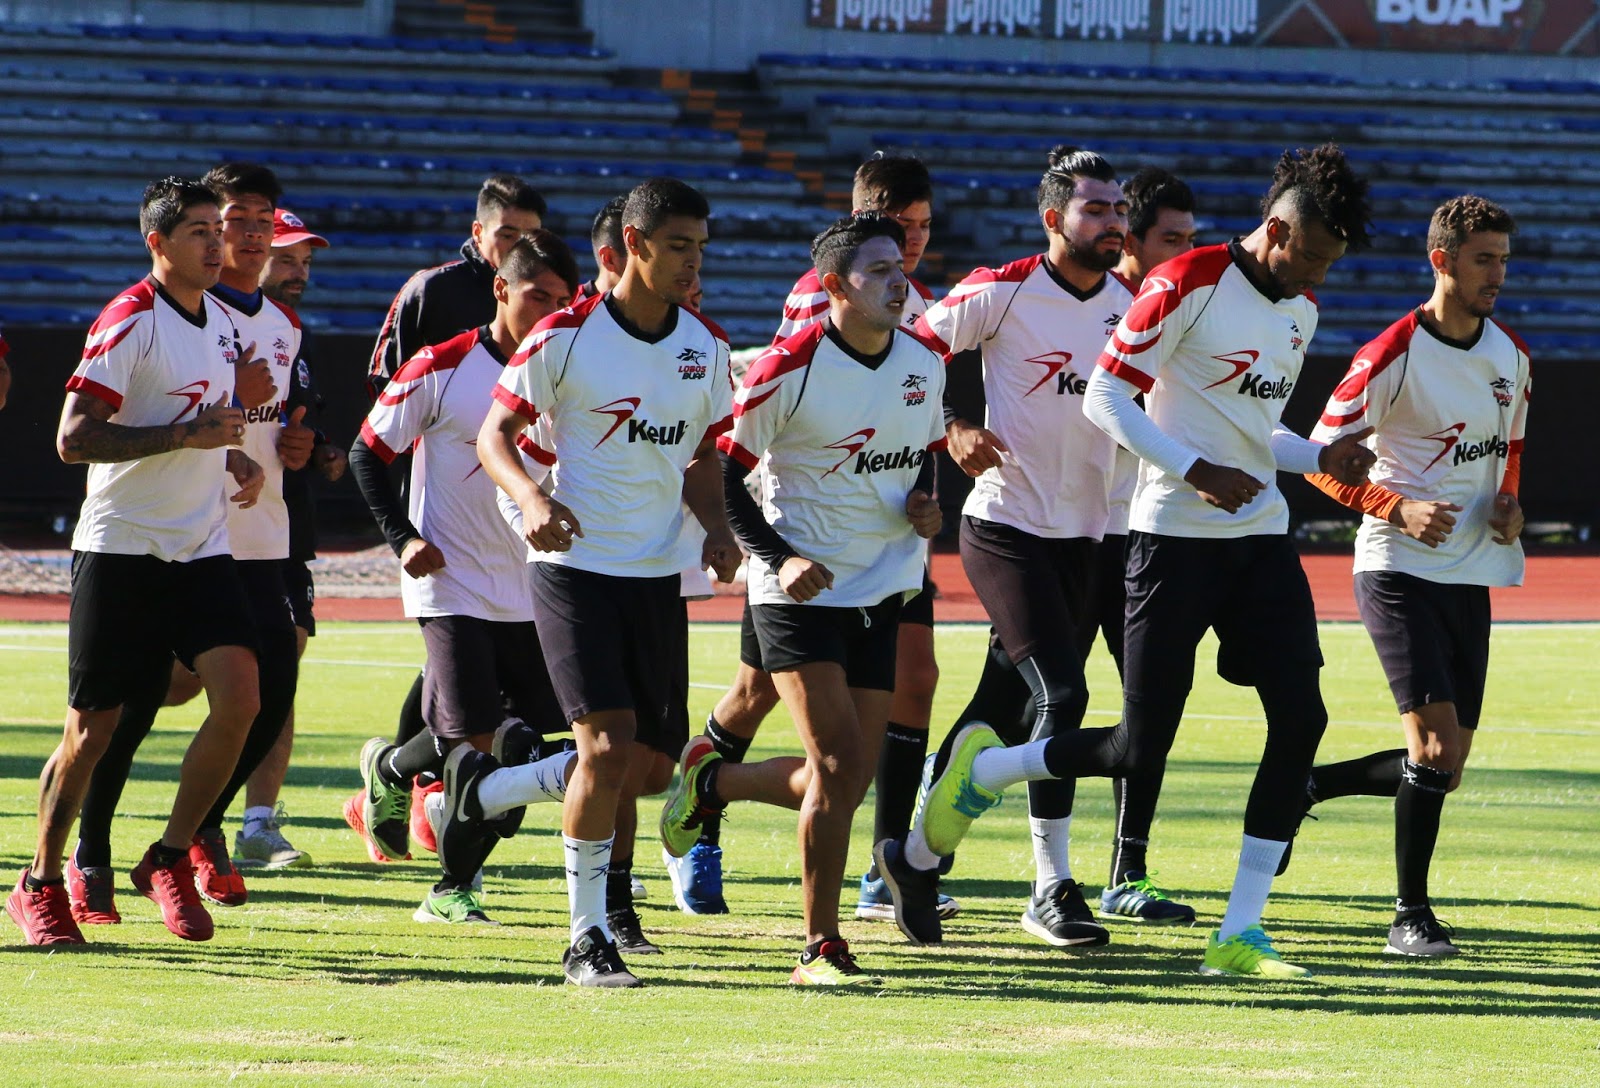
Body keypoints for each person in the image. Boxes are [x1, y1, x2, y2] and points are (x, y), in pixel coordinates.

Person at [883, 144, 1379, 979]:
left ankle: (1240, 931)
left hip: (1250, 534)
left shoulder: (1300, 313)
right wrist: (1189, 469)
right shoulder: (1183, 280)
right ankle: (991, 771)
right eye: (1314, 257)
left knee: (1303, 717)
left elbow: (1257, 433)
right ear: (1277, 228)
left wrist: (1324, 454)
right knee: (1132, 744)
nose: (1316, 278)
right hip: (1161, 537)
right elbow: (1110, 394)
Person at [898, 147, 1194, 950]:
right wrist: (952, 425)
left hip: (1094, 542)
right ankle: (1050, 888)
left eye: (1116, 211)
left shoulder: (1135, 303)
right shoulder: (1004, 288)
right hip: (1005, 527)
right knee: (1064, 698)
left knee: (1001, 707)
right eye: (1094, 209)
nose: (1111, 223)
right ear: (1052, 217)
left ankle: (913, 856)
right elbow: (905, 354)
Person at [657, 213, 945, 985]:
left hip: (883, 586)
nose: (898, 280)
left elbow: (922, 459)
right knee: (838, 760)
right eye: (878, 269)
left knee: (850, 778)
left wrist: (925, 502)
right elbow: (726, 476)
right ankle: (819, 946)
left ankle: (711, 780)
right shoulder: (789, 366)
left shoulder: (927, 360)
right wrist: (778, 561)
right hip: (799, 593)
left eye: (900, 267)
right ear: (833, 287)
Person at [475, 177, 740, 987]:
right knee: (606, 745)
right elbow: (495, 434)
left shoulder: (707, 348)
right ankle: (587, 937)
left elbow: (701, 455)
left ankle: (487, 790)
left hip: (657, 574)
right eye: (678, 246)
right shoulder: (564, 337)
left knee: (649, 769)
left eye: (700, 246)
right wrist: (530, 500)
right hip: (572, 569)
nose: (693, 264)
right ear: (633, 244)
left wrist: (721, 530)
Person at [6, 176, 266, 946]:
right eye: (198, 232)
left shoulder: (222, 322)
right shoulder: (129, 319)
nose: (216, 244)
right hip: (121, 547)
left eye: (217, 230)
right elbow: (73, 438)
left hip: (200, 546)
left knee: (243, 698)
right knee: (91, 732)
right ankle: (41, 880)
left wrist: (232, 459)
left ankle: (170, 853)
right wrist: (188, 438)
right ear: (156, 243)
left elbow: (205, 422)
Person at [1293, 195, 1529, 958]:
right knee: (1429, 753)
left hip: (1471, 573)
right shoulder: (1391, 353)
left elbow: (1509, 454)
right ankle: (1408, 917)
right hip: (1395, 570)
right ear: (1443, 261)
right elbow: (1321, 460)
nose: (1497, 273)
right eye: (1483, 258)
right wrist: (1394, 507)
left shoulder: (1514, 358)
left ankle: (1308, 786)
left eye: (1502, 257)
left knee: (1446, 766)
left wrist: (1510, 507)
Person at [347, 231, 580, 924]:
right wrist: (404, 538)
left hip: (534, 581)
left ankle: (389, 771)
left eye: (566, 302)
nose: (552, 312)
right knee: (478, 742)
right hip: (449, 581)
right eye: (540, 296)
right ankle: (453, 890)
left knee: (527, 735)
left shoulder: (570, 375)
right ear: (501, 289)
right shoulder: (442, 364)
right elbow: (369, 452)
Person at [365, 174, 548, 852]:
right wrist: (406, 529)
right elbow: (384, 409)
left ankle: (394, 772)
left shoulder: (560, 317)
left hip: (524, 558)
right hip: (448, 542)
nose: (515, 252)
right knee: (475, 719)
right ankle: (452, 856)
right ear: (479, 237)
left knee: (489, 712)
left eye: (528, 239)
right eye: (505, 237)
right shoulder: (433, 296)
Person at [233, 206, 343, 870]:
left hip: (278, 533)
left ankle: (256, 822)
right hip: (195, 530)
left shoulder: (291, 332)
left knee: (281, 665)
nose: (298, 272)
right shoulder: (207, 319)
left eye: (306, 261)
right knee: (173, 685)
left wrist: (316, 448)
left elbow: (296, 425)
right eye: (287, 257)